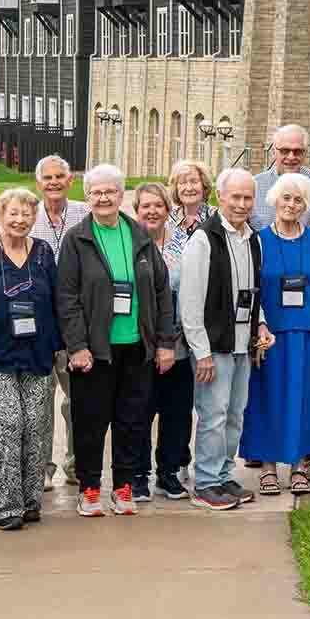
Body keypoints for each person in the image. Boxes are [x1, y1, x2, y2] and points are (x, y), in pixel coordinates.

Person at [58, 164, 177, 517]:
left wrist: (165, 342)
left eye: (110, 191)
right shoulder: (77, 239)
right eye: (96, 192)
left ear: (121, 195)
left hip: (137, 347)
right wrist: (77, 346)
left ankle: (123, 486)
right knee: (90, 422)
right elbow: (67, 297)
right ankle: (90, 488)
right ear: (87, 197)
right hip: (94, 351)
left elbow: (161, 293)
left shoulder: (140, 236)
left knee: (132, 421)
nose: (103, 198)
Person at [0, 188, 62, 530]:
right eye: (13, 213)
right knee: (8, 423)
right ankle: (4, 505)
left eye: (27, 214)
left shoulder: (43, 252)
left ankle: (30, 500)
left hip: (38, 353)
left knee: (36, 425)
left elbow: (56, 299)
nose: (20, 220)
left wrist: (61, 345)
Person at [180, 168, 270, 510]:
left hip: (243, 343)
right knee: (213, 416)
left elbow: (253, 292)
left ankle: (223, 474)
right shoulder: (203, 240)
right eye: (236, 197)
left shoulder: (253, 239)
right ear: (220, 197)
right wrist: (201, 352)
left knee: (234, 415)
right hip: (214, 346)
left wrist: (261, 325)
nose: (242, 204)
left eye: (248, 198)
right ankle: (206, 483)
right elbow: (190, 302)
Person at [242, 174, 310, 495]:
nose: (292, 205)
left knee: (302, 399)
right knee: (268, 399)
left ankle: (297, 466)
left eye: (299, 200)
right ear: (274, 200)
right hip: (271, 334)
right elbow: (253, 288)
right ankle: (268, 468)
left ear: (306, 205)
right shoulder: (258, 240)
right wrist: (259, 326)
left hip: (308, 335)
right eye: (286, 198)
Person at [130, 183, 194, 501]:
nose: (152, 211)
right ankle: (138, 474)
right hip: (139, 342)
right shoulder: (128, 242)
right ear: (136, 210)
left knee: (176, 411)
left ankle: (168, 472)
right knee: (139, 410)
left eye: (158, 205)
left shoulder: (186, 244)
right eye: (146, 206)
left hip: (178, 342)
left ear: (169, 209)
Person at [30, 154, 88, 490]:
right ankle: (42, 468)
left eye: (59, 176)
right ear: (39, 183)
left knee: (77, 398)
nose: (54, 182)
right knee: (40, 400)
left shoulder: (85, 214)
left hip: (74, 323)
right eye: (47, 177)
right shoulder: (29, 215)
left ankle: (77, 463)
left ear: (70, 180)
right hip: (38, 325)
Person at [251, 124, 310, 231]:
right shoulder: (255, 185)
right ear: (274, 152)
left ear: (305, 153)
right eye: (285, 151)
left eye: (297, 151)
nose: (291, 157)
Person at [168, 159, 216, 247]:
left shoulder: (216, 217)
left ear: (204, 185)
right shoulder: (168, 217)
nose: (189, 188)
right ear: (176, 188)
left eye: (194, 182)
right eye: (183, 182)